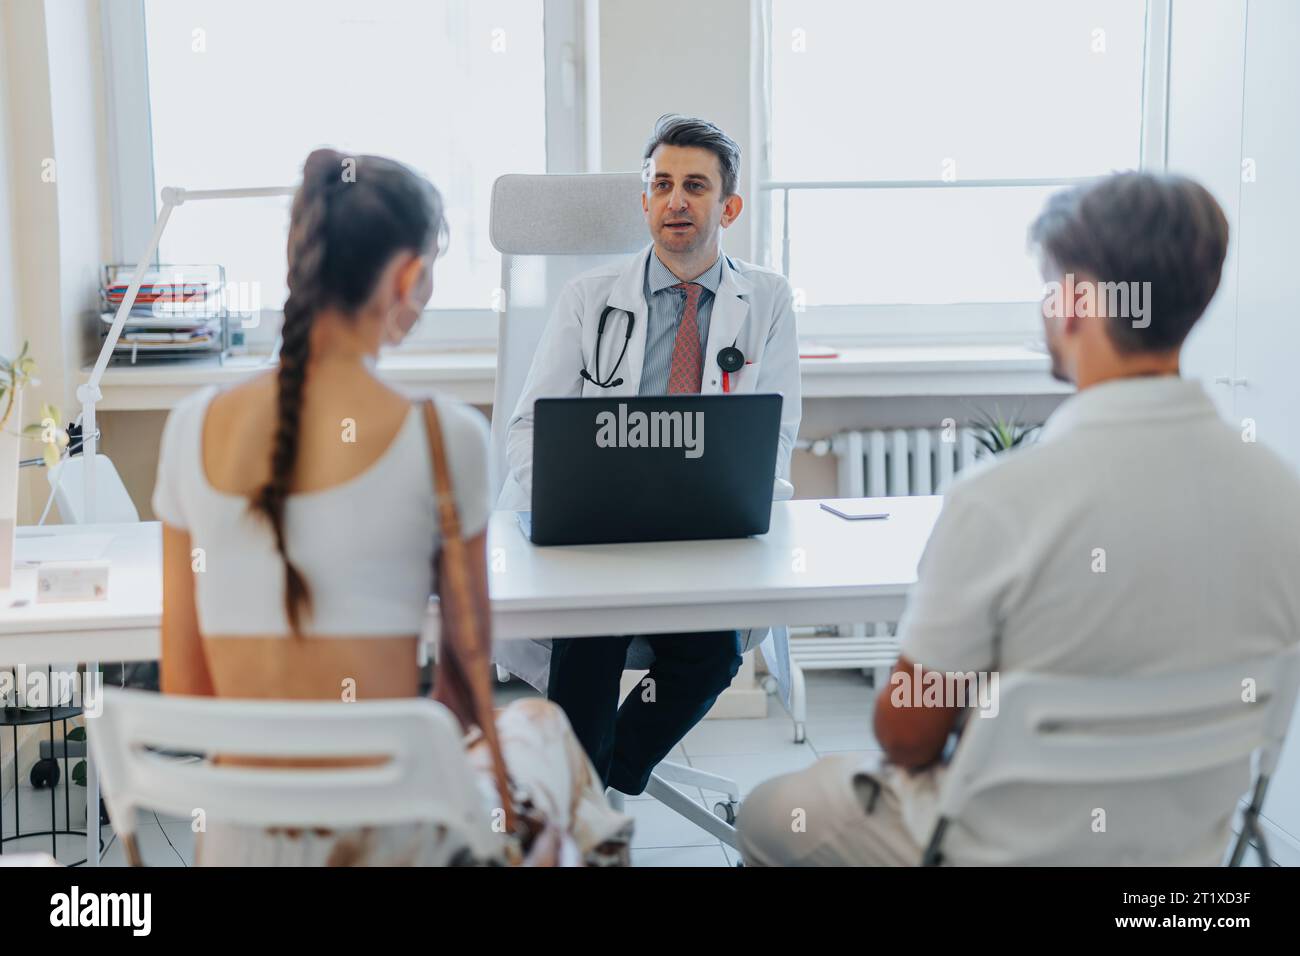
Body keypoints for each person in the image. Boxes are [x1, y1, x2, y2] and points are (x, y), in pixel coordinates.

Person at [737, 171, 1300, 866]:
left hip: (986, 848)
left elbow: (905, 736)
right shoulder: (1279, 492)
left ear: (1074, 303)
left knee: (768, 811)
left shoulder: (1003, 499)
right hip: (1182, 857)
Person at [152, 148, 631, 866]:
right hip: (387, 840)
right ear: (409, 276)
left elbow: (186, 690)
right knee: (542, 726)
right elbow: (467, 687)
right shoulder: (442, 439)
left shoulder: (189, 427)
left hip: (236, 844)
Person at [495, 114, 803, 796]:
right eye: (661, 184)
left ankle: (595, 784)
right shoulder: (588, 299)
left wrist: (743, 494)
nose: (675, 201)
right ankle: (581, 805)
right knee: (589, 637)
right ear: (644, 200)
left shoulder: (768, 300)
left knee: (710, 649)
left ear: (729, 206)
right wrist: (565, 502)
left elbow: (775, 435)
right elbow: (526, 428)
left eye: (695, 185)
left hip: (706, 536)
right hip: (596, 538)